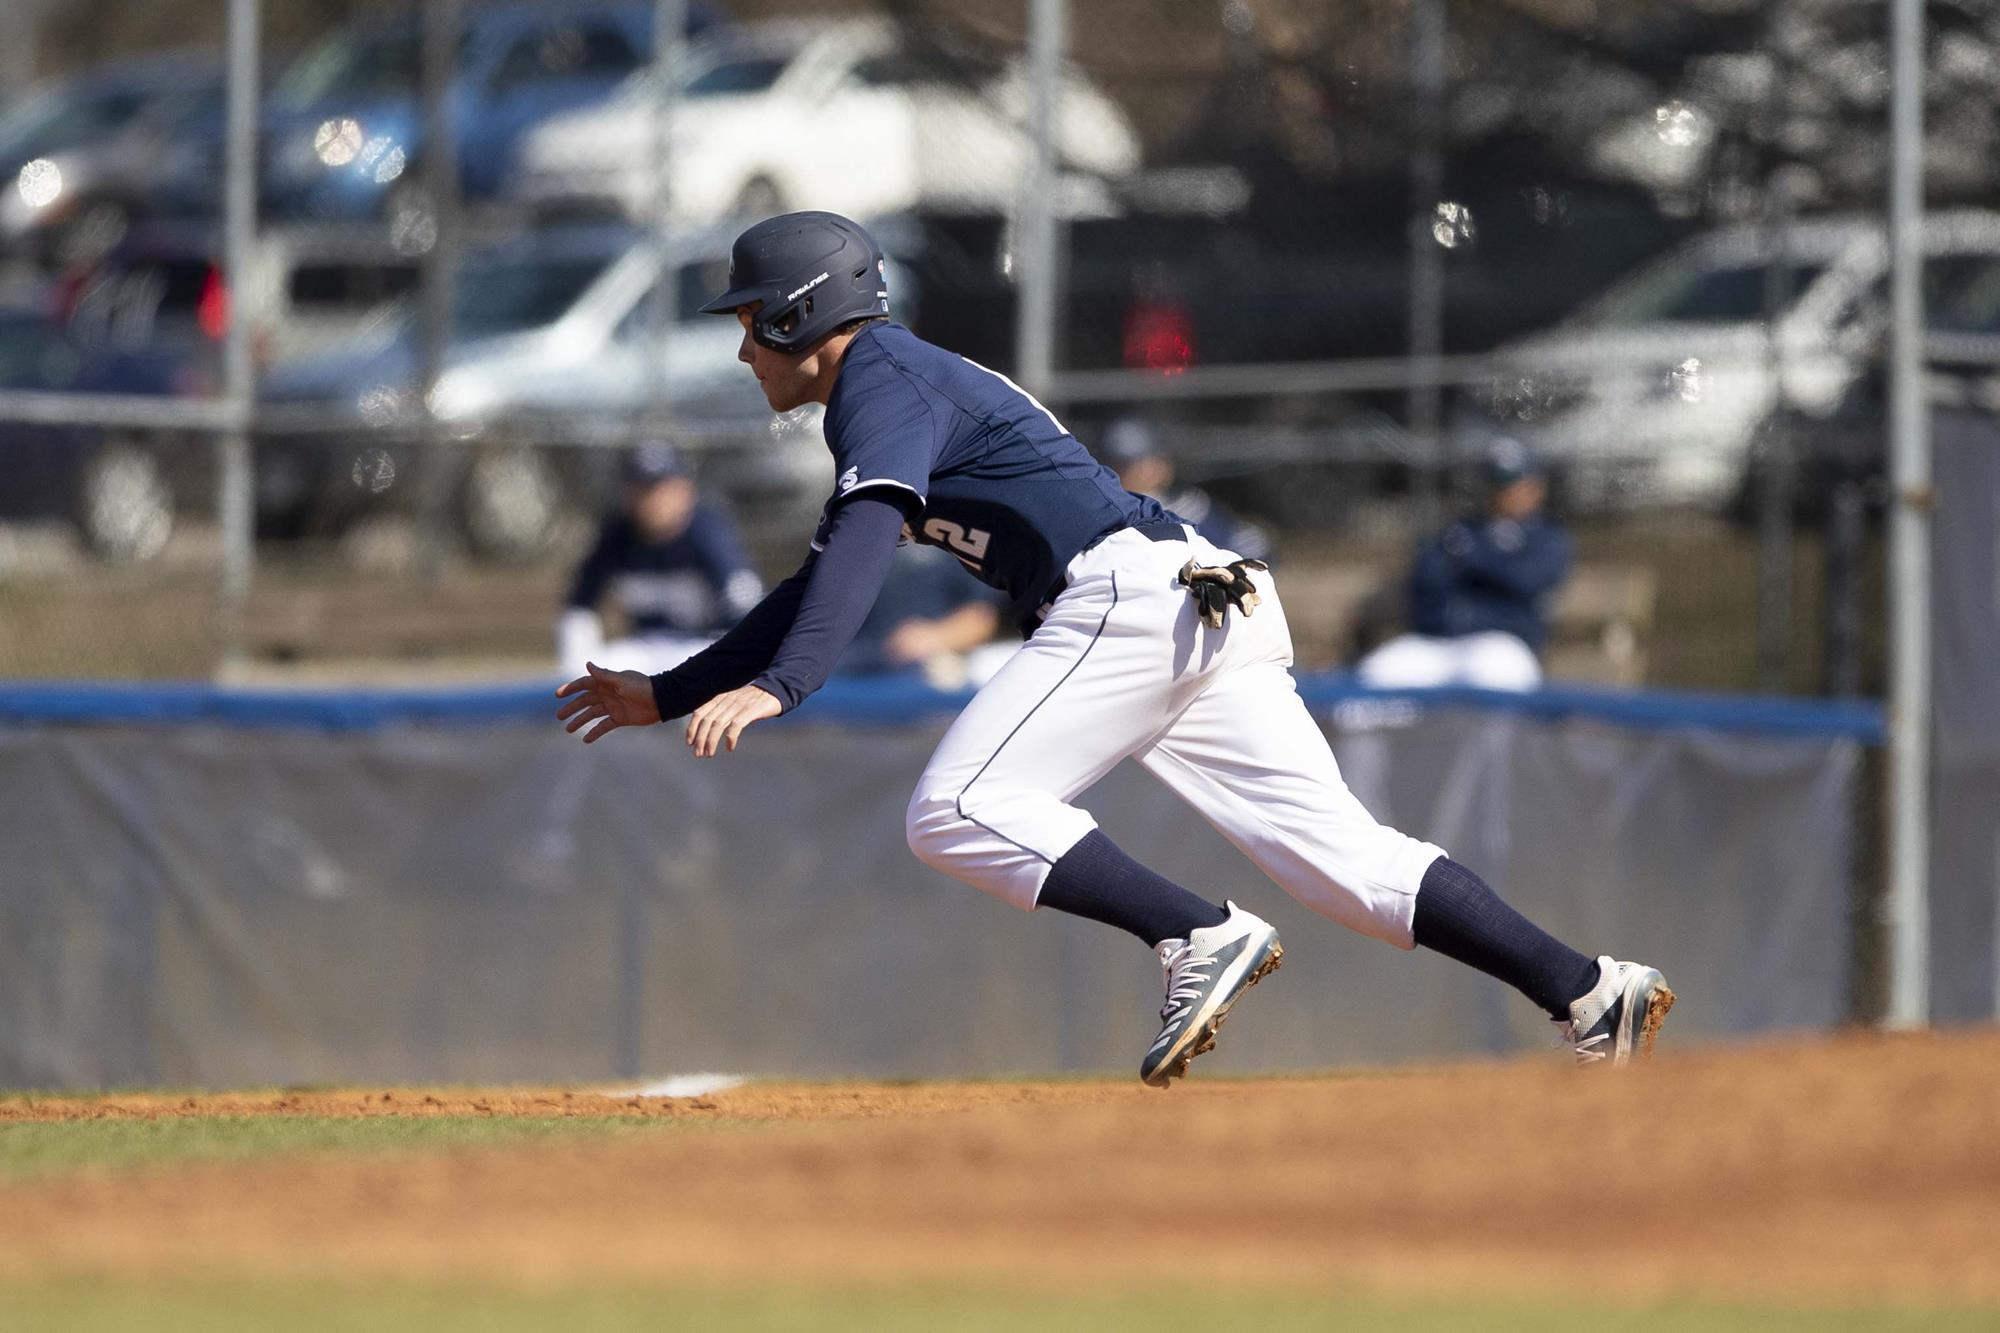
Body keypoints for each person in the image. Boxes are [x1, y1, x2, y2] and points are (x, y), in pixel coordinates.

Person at [555, 212, 1671, 1084]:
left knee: (953, 809)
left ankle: (1198, 932)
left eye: (753, 319)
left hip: (1126, 596)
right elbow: (817, 573)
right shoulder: (902, 383)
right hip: (1196, 597)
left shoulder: (877, 384)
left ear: (804, 317)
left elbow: (847, 551)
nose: (743, 345)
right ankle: (1587, 990)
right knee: (1345, 861)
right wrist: (669, 688)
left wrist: (780, 686)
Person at [1357, 439, 1571, 692]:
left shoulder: (1547, 537)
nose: (1503, 493)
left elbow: (1526, 580)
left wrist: (1474, 559)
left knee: (1499, 676)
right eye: (1496, 483)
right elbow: (1425, 578)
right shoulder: (1462, 530)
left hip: (1501, 644)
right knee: (1377, 673)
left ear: (1535, 487)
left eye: (1511, 483)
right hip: (1437, 644)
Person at [557, 442, 763, 677]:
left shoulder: (708, 532)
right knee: (589, 675)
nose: (651, 499)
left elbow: (746, 606)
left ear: (685, 490)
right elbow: (579, 605)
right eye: (641, 488)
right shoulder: (617, 536)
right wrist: (573, 664)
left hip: (704, 646)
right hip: (646, 649)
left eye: (660, 488)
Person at [841, 543, 1016, 690]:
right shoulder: (864, 526)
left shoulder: (960, 530)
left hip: (927, 677)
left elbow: (982, 616)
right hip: (850, 669)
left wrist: (935, 637)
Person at [1097, 417, 1272, 563]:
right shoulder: (1097, 512)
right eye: (1114, 464)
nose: (1121, 474)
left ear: (1161, 465)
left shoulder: (1187, 509)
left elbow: (1253, 547)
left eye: (1132, 466)